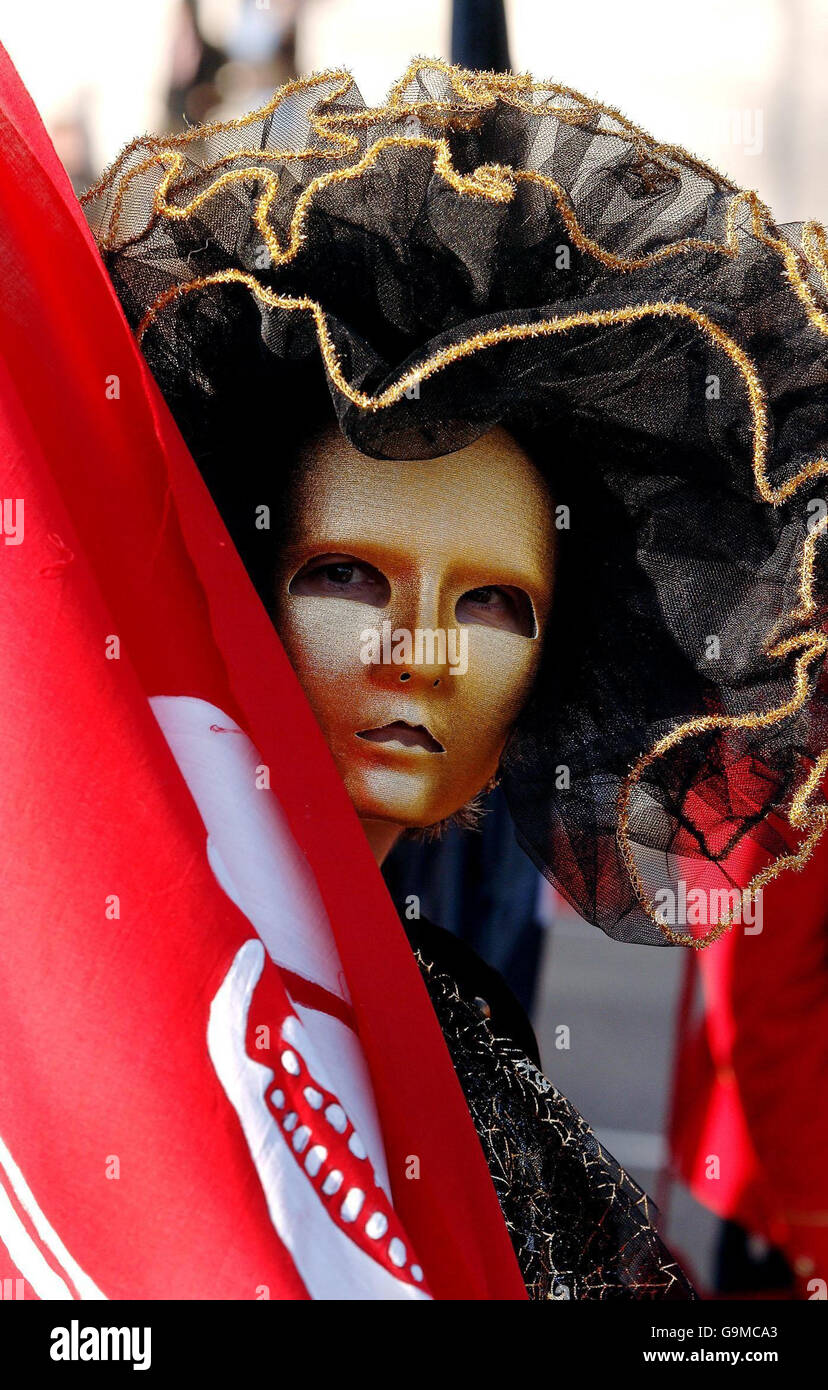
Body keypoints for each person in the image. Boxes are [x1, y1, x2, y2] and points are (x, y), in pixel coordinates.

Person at [81, 58, 828, 1298]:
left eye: (492, 602)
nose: (419, 652)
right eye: (351, 577)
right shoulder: (119, 992)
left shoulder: (469, 1046)